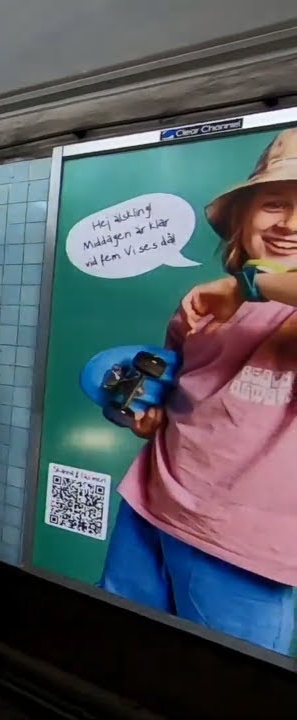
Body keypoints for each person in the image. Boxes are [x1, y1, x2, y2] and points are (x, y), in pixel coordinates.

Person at [102, 128, 297, 656]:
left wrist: (247, 285)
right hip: (149, 508)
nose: (289, 225)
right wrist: (140, 415)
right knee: (122, 662)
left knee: (222, 690)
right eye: (274, 204)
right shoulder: (201, 309)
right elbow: (177, 396)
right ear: (241, 218)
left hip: (243, 548)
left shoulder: (253, 300)